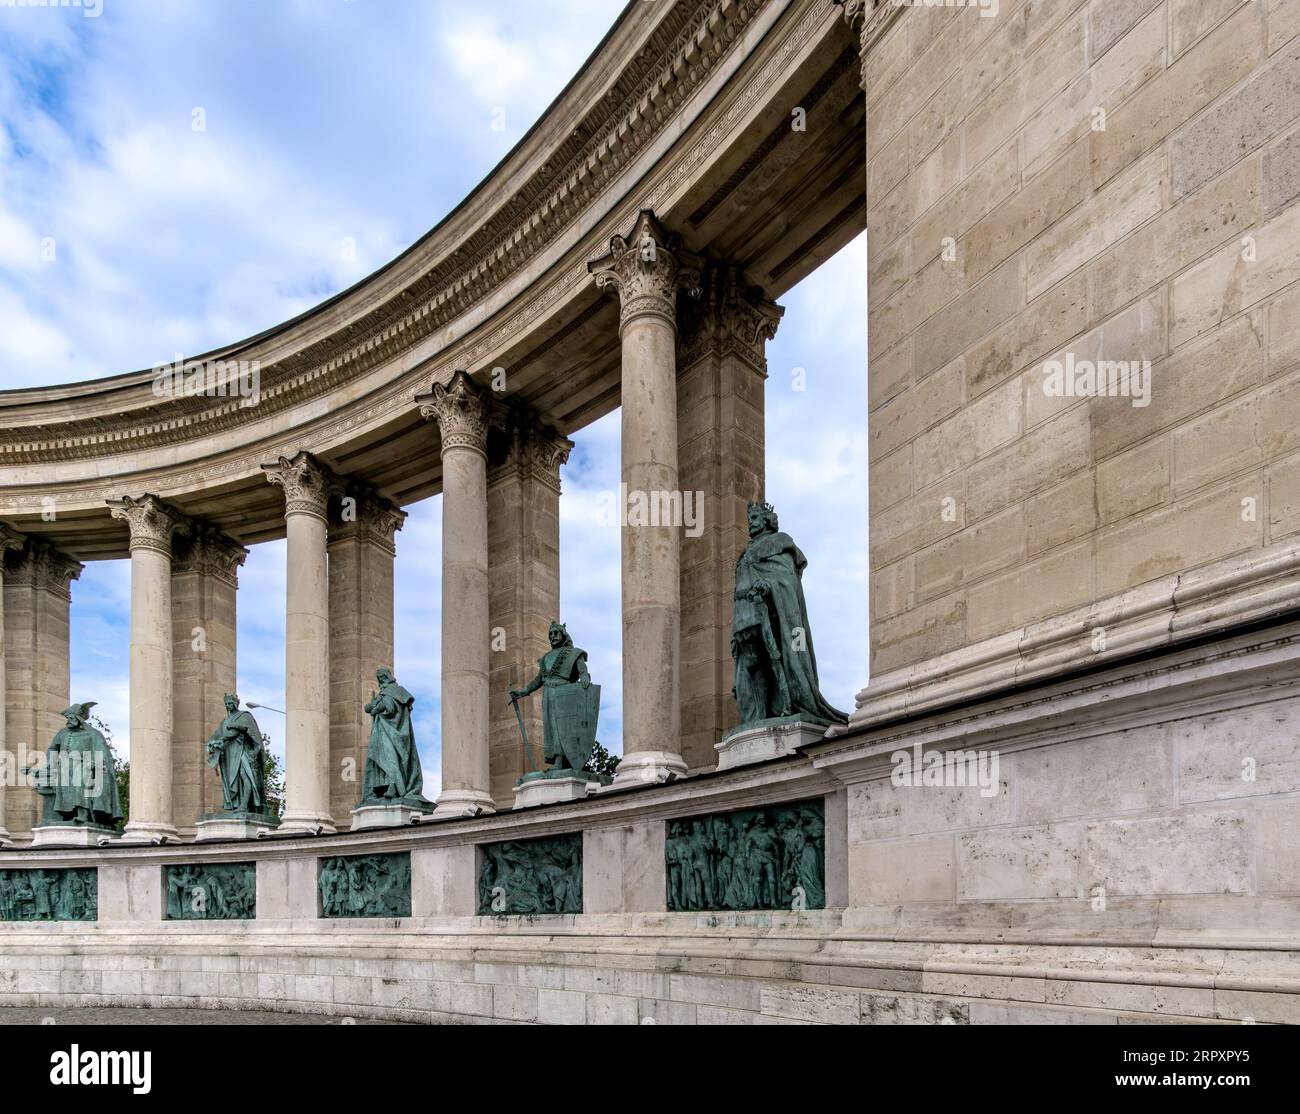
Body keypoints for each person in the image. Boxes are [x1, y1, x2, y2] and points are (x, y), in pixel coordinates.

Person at [732, 504, 848, 728]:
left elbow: (787, 581)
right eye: (750, 518)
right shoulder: (745, 552)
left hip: (772, 613)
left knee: (775, 658)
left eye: (756, 517)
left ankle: (787, 704)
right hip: (745, 617)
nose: (751, 522)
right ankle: (757, 716)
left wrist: (768, 586)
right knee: (750, 666)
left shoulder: (779, 542)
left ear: (768, 521)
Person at [37, 703, 122, 828]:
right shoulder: (62, 733)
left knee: (80, 776)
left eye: (72, 718)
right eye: (68, 718)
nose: (69, 721)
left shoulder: (93, 733)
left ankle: (82, 813)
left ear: (79, 718)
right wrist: (50, 764)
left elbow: (102, 752)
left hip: (85, 765)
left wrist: (93, 763)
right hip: (65, 766)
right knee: (62, 776)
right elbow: (53, 748)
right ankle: (65, 814)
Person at [361, 668, 429, 805]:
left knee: (390, 759)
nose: (380, 681)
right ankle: (378, 789)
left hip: (390, 732)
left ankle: (393, 787)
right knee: (380, 761)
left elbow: (389, 708)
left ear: (386, 677)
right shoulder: (386, 693)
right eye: (379, 678)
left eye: (381, 677)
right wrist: (374, 706)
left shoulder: (393, 692)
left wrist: (376, 708)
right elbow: (368, 708)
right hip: (383, 733)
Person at [206, 694, 267, 814]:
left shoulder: (244, 716)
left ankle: (244, 805)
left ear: (236, 703)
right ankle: (238, 804)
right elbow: (216, 736)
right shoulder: (224, 722)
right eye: (226, 704)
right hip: (229, 755)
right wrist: (212, 744)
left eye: (230, 703)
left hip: (243, 752)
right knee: (235, 780)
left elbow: (251, 732)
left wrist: (236, 728)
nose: (228, 706)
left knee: (246, 776)